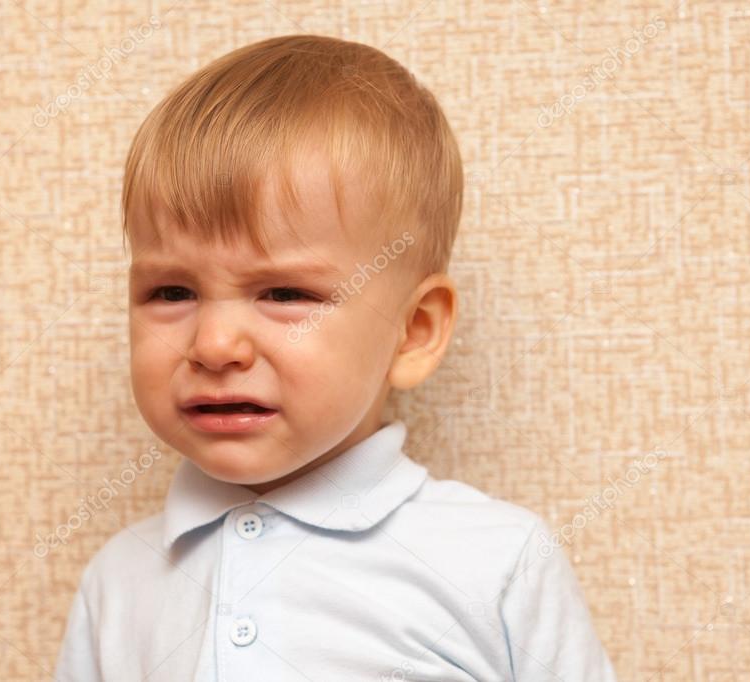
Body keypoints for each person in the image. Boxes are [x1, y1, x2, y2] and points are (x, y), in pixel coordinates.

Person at [54, 33, 616, 681]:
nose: (212, 346)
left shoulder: (496, 562)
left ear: (413, 332)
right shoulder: (118, 583)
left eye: (285, 294)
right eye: (172, 292)